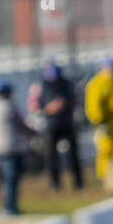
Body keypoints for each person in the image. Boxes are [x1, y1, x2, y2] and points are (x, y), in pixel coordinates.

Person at [31, 61, 83, 190]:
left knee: (74, 155)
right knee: (51, 157)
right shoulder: (40, 86)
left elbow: (75, 101)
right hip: (51, 125)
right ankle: (55, 184)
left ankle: (78, 183)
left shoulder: (67, 84)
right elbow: (35, 106)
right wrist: (49, 108)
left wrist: (64, 105)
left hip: (67, 123)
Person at [0, 81, 33, 215]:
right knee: (12, 178)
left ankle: (9, 206)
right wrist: (32, 132)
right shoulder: (7, 107)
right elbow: (21, 125)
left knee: (8, 178)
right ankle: (10, 207)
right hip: (12, 147)